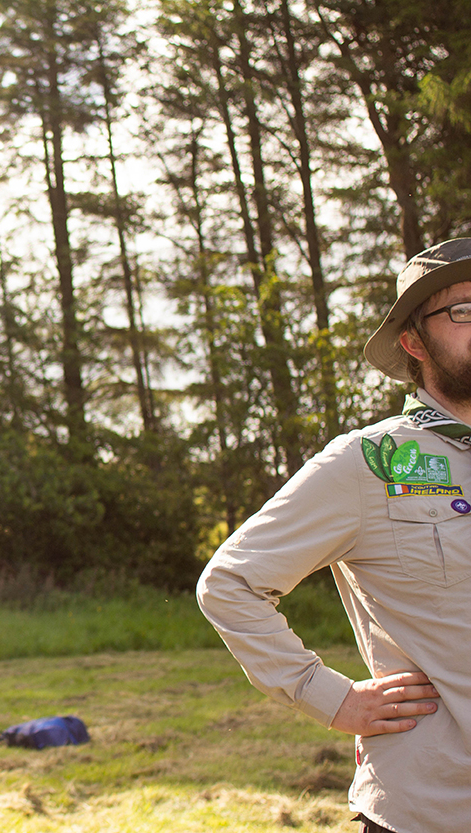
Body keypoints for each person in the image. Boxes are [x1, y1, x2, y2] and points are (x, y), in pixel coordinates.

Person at [197, 239, 471, 833]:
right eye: (464, 310)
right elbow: (231, 583)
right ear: (414, 342)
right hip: (433, 808)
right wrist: (332, 697)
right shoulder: (369, 462)